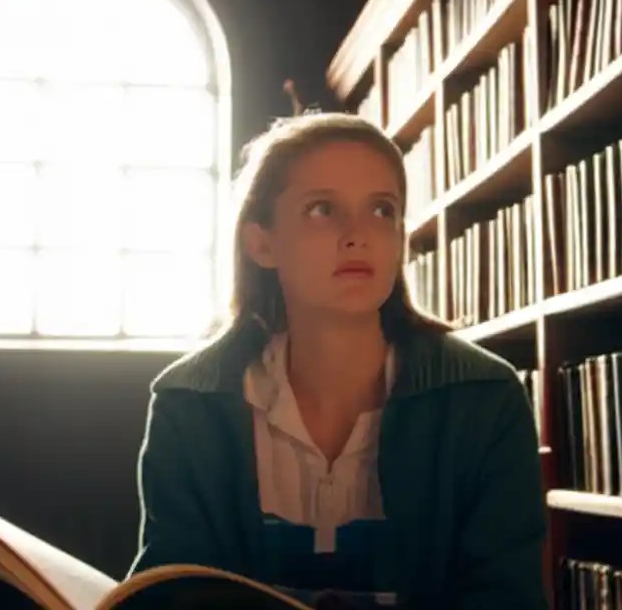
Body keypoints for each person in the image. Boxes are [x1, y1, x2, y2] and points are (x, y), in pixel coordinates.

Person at [127, 111, 547, 609]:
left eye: (381, 210)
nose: (358, 234)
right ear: (262, 242)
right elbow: (169, 595)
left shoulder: (485, 397)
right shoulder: (190, 403)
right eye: (322, 209)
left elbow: (507, 598)